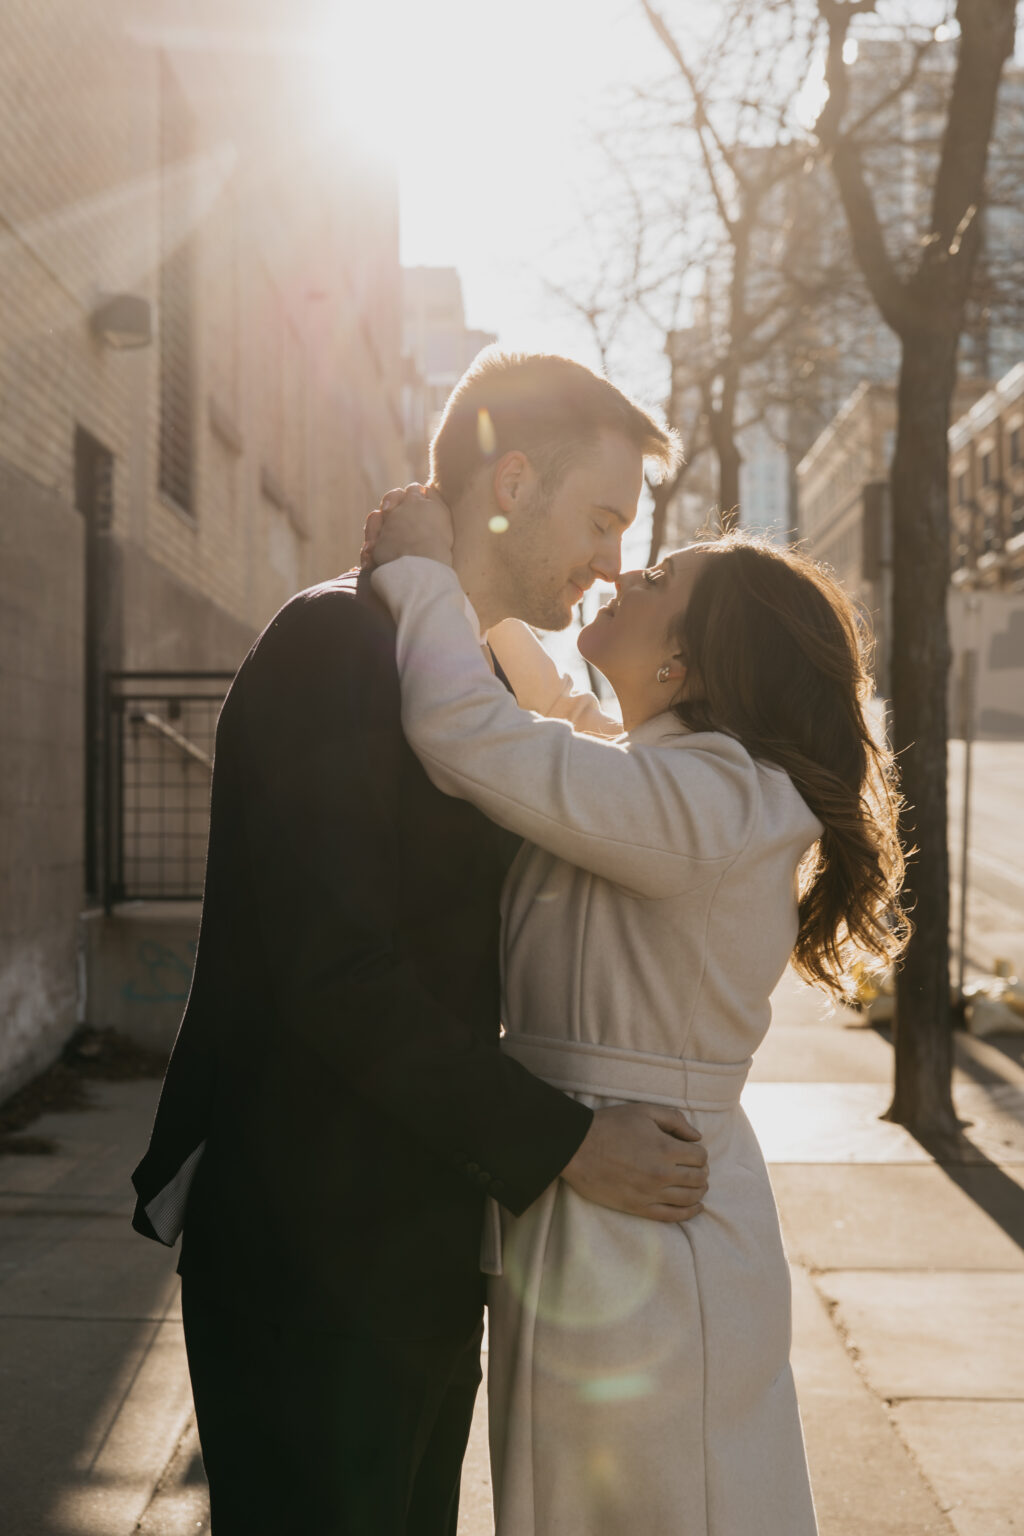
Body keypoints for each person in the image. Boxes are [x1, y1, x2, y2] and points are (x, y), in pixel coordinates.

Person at [129, 351, 711, 1535]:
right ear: (509, 479)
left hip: (424, 1262)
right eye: (602, 521)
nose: (610, 565)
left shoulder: (475, 681)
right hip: (309, 1267)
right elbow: (335, 975)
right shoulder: (334, 645)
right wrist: (566, 1146)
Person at [366, 488, 908, 1536]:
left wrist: (422, 574)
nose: (620, 573)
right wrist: (492, 606)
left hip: (652, 1222)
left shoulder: (713, 803)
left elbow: (471, 737)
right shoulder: (678, 781)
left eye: (657, 581)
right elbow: (564, 734)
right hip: (602, 1198)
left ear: (685, 666)